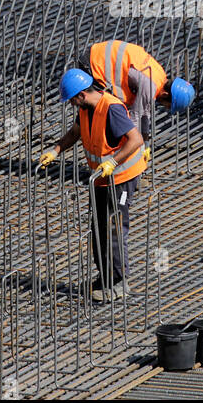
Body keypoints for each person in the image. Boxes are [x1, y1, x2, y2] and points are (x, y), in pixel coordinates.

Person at [37, 69, 146, 302]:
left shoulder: (112, 109)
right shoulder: (86, 109)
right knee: (98, 227)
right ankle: (104, 277)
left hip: (122, 177)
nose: (71, 105)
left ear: (81, 95)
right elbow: (76, 132)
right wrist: (55, 151)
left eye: (72, 101)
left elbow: (136, 140)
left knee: (114, 229)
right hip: (101, 177)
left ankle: (119, 282)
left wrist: (112, 162)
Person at [79, 39, 195, 157]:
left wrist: (145, 144)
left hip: (96, 55)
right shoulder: (150, 87)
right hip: (94, 65)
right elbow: (135, 117)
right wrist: (132, 149)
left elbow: (145, 114)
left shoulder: (159, 76)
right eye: (168, 105)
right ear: (166, 95)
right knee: (106, 115)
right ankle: (100, 155)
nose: (165, 107)